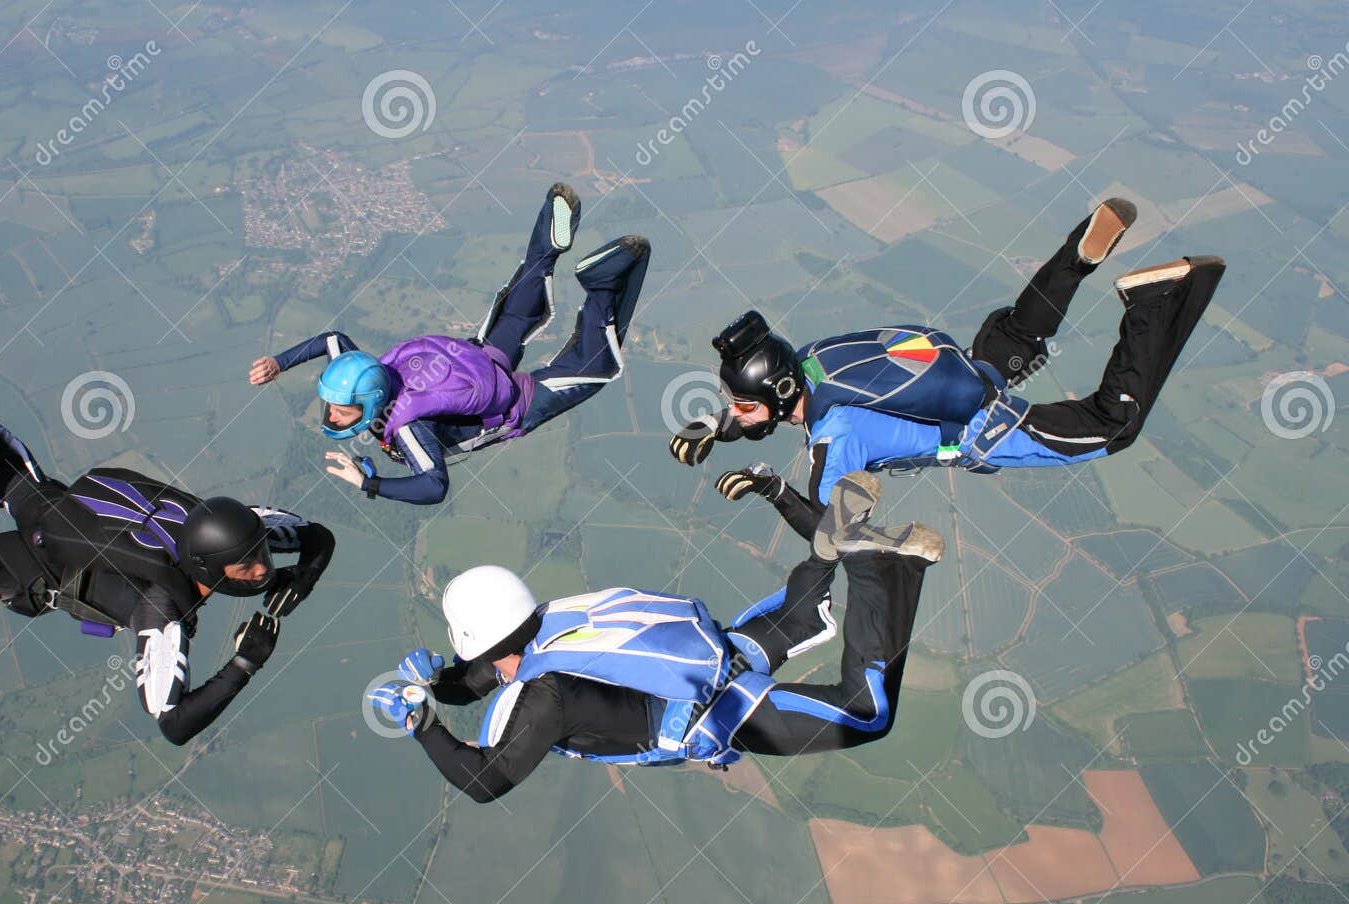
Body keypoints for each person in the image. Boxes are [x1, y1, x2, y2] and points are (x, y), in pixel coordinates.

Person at [0, 325, 334, 745]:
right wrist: (245, 663)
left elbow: (317, 535)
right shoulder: (163, 610)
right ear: (207, 567)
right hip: (33, 566)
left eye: (261, 554)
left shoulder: (223, 523)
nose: (264, 568)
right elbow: (173, 724)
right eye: (248, 565)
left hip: (49, 500)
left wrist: (302, 578)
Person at [365, 472, 941, 803]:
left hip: (725, 712)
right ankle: (826, 530)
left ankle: (883, 567)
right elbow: (478, 678)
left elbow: (485, 780)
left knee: (866, 712)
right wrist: (436, 684)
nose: (493, 673)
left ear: (493, 646)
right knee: (797, 612)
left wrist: (424, 728)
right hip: (722, 652)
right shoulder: (548, 624)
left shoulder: (544, 696)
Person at [668, 199, 1226, 506]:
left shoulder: (833, 440)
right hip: (966, 364)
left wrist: (772, 489)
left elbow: (825, 533)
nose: (735, 411)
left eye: (740, 404)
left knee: (1114, 426)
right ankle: (1077, 254)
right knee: (1017, 339)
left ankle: (1152, 304)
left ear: (779, 391)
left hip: (983, 428)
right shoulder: (811, 359)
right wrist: (717, 428)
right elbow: (767, 402)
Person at [250, 184, 650, 505]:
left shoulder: (409, 429)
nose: (333, 416)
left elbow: (433, 487)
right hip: (476, 360)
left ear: (371, 402)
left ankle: (602, 285)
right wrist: (279, 363)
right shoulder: (366, 372)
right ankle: (547, 240)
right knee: (514, 317)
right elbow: (332, 340)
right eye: (335, 409)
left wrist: (369, 486)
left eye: (340, 411)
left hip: (517, 405)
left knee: (595, 367)